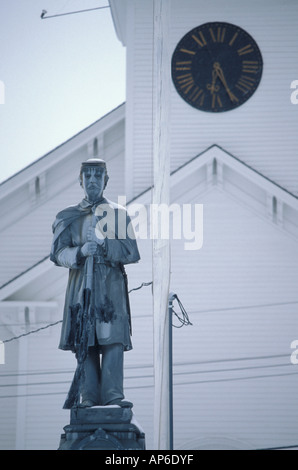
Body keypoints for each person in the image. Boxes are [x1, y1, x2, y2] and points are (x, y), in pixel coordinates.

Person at [50, 158, 140, 409]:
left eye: (97, 177)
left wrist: (103, 243)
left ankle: (113, 396)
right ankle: (88, 396)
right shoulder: (67, 216)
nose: (92, 181)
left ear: (105, 181)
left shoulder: (118, 215)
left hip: (111, 288)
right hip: (82, 288)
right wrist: (80, 251)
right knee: (85, 339)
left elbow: (131, 251)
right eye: (87, 176)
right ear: (80, 180)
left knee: (112, 340)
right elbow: (57, 254)